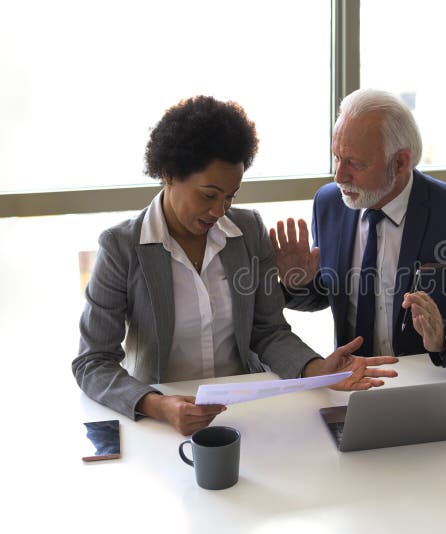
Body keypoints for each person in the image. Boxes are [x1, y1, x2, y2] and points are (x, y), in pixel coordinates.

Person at [73, 96, 397, 436]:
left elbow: (267, 331)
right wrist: (157, 404)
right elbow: (92, 362)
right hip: (161, 417)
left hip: (244, 406)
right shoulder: (122, 247)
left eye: (231, 196)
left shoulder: (247, 232)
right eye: (209, 195)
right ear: (168, 174)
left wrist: (318, 369)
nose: (219, 210)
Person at [270, 88, 446, 366]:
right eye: (336, 157)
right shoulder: (329, 202)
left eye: (354, 163)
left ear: (400, 162)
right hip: (351, 382)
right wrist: (298, 282)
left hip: (429, 388)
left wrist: (444, 337)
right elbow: (324, 293)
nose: (339, 175)